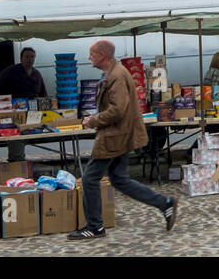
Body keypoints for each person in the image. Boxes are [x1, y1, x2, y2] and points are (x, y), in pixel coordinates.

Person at [70, 39, 177, 240]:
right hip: (120, 135)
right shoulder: (114, 73)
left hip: (114, 136)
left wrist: (93, 120)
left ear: (102, 55)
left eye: (92, 54)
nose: (88, 57)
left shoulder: (117, 75)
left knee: (89, 179)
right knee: (119, 179)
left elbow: (118, 110)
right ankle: (165, 203)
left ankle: (94, 226)